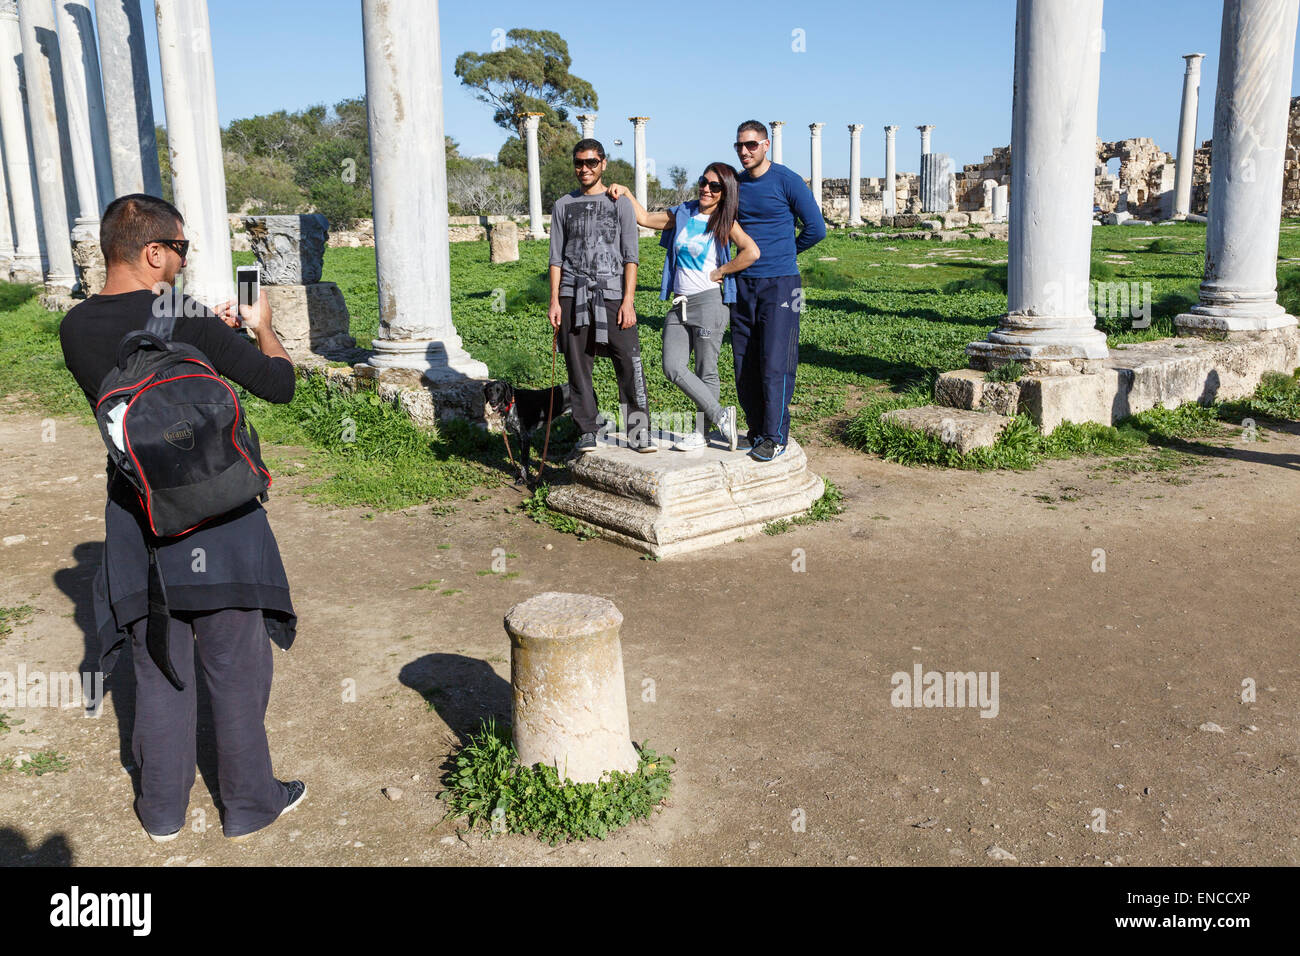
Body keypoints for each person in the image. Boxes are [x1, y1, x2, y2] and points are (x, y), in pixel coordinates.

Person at [59, 194, 305, 843]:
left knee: (157, 666)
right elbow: (278, 383)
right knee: (235, 662)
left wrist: (201, 331)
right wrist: (260, 327)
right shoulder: (184, 314)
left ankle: (161, 810)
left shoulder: (74, 328)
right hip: (219, 513)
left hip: (138, 518)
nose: (184, 261)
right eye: (183, 249)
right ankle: (250, 802)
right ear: (154, 251)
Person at [609, 163, 759, 451]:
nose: (706, 188)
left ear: (724, 193)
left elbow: (751, 251)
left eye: (714, 186)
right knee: (672, 366)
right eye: (704, 181)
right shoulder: (684, 213)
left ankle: (701, 434)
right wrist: (626, 192)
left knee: (706, 370)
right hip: (680, 304)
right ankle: (721, 416)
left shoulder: (724, 220)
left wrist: (721, 272)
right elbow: (644, 218)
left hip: (709, 302)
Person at [548, 138, 656, 454]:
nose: (585, 168)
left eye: (591, 162)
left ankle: (639, 431)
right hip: (572, 293)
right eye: (579, 163)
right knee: (578, 365)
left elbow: (630, 255)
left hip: (612, 294)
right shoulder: (562, 205)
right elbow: (556, 257)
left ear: (603, 164)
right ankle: (587, 429)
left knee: (628, 361)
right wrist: (554, 300)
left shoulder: (619, 202)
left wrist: (628, 300)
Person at [731, 120, 827, 460]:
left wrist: (786, 252)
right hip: (742, 284)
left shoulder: (788, 181)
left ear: (766, 144)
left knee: (776, 362)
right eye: (739, 146)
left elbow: (816, 229)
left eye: (751, 145)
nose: (744, 151)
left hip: (784, 284)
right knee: (744, 362)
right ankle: (755, 429)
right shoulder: (736, 185)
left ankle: (775, 436)